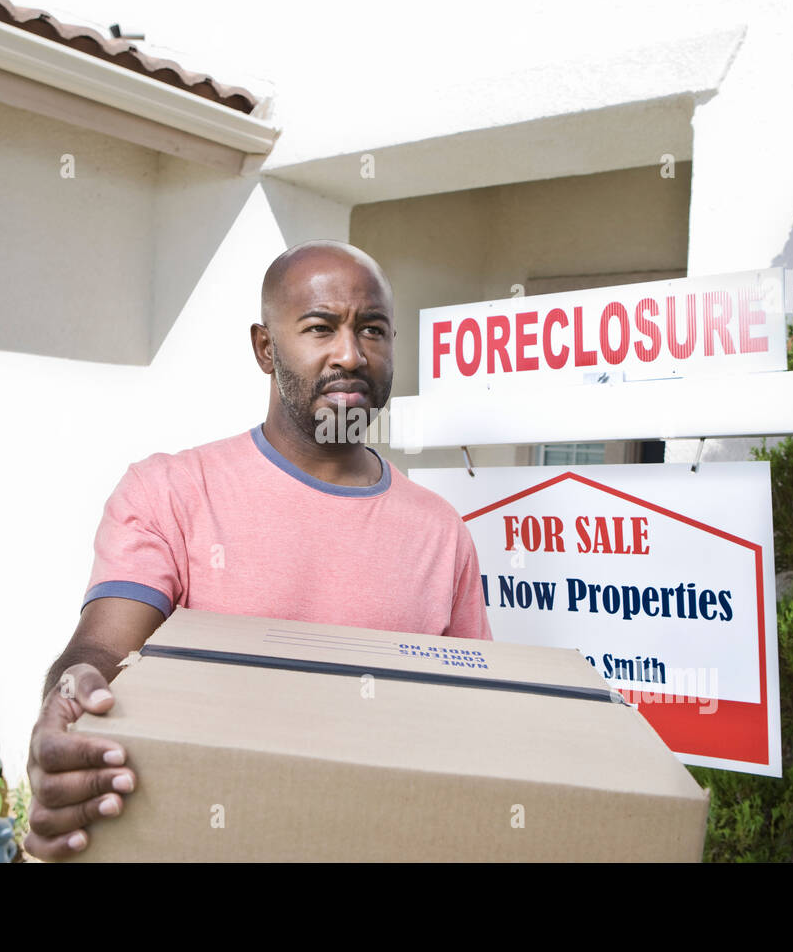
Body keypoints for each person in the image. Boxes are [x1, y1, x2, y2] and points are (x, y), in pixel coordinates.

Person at [24, 240, 492, 860]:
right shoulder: (170, 492)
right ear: (265, 348)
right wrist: (70, 696)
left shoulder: (441, 532)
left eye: (373, 330)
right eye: (320, 327)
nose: (350, 354)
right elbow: (104, 649)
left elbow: (473, 713)